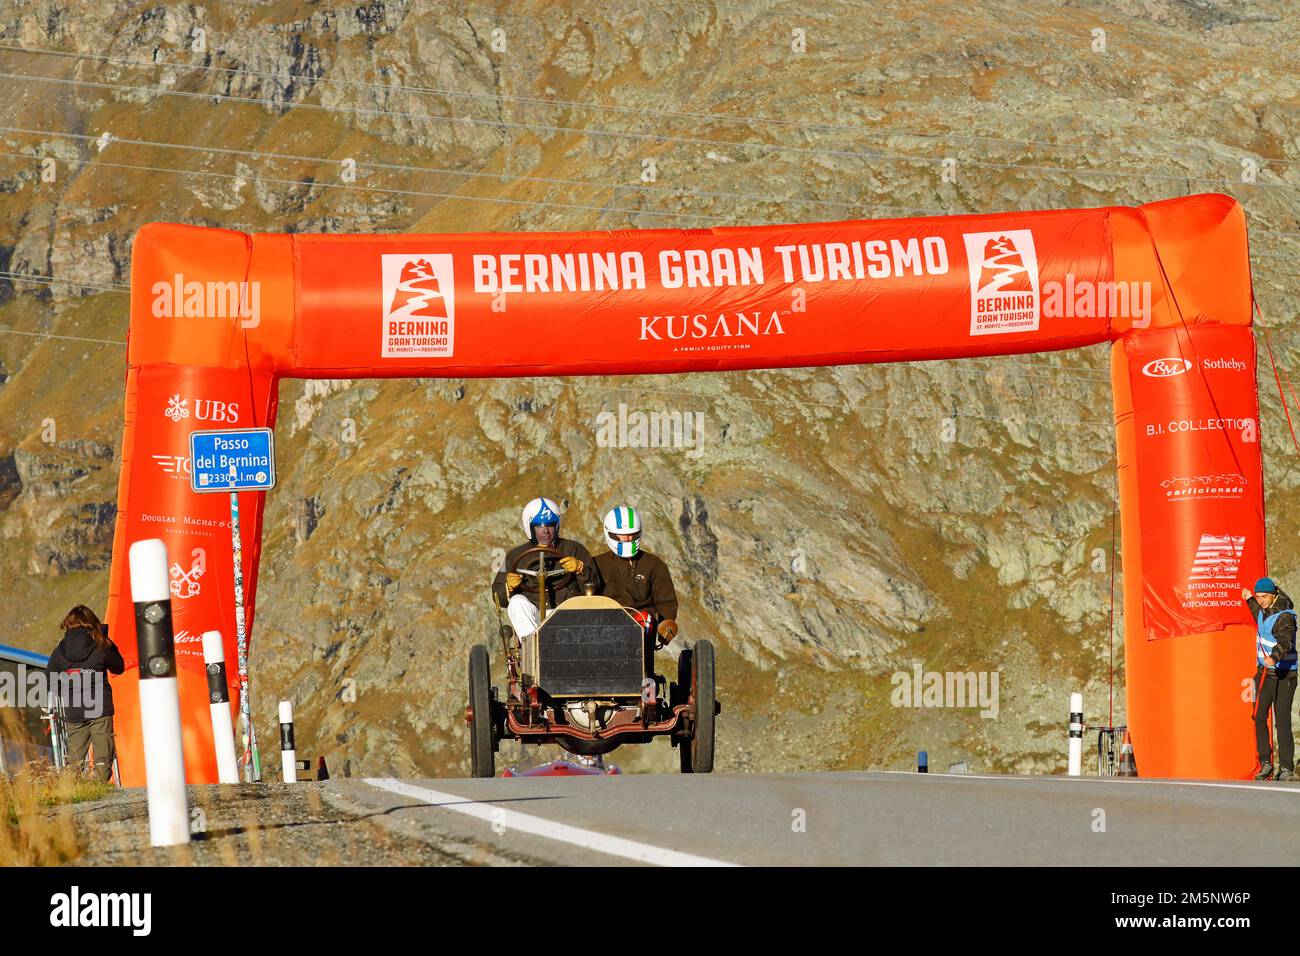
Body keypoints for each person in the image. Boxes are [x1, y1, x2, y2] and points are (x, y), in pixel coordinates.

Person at [492, 497, 600, 639]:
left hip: (565, 614)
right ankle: (535, 648)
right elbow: (498, 595)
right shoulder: (515, 556)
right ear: (529, 527)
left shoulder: (574, 549)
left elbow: (595, 587)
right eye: (539, 526)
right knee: (516, 602)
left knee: (576, 602)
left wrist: (580, 569)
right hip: (533, 616)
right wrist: (508, 586)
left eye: (550, 525)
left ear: (557, 526)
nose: (545, 531)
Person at [47, 605, 124, 783]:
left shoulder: (61, 649)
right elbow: (118, 667)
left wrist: (64, 693)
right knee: (102, 754)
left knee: (74, 758)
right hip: (99, 707)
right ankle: (98, 787)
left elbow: (49, 677)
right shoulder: (100, 643)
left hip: (73, 708)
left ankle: (70, 791)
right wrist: (106, 639)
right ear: (91, 622)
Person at [593, 505, 680, 648]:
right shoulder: (596, 564)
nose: (627, 538)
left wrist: (666, 625)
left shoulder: (654, 564)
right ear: (610, 533)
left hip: (641, 626)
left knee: (644, 621)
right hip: (602, 626)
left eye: (632, 534)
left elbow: (666, 602)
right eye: (621, 535)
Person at [1243, 578, 1297, 781]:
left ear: (1274, 595)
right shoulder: (1263, 609)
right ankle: (1265, 762)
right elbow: (1257, 611)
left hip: (1284, 675)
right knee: (1258, 717)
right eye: (1259, 597)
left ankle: (1286, 768)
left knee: (1281, 722)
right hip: (1264, 673)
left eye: (1264, 597)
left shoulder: (1285, 617)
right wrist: (1250, 599)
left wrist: (1274, 657)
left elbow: (1285, 641)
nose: (1261, 600)